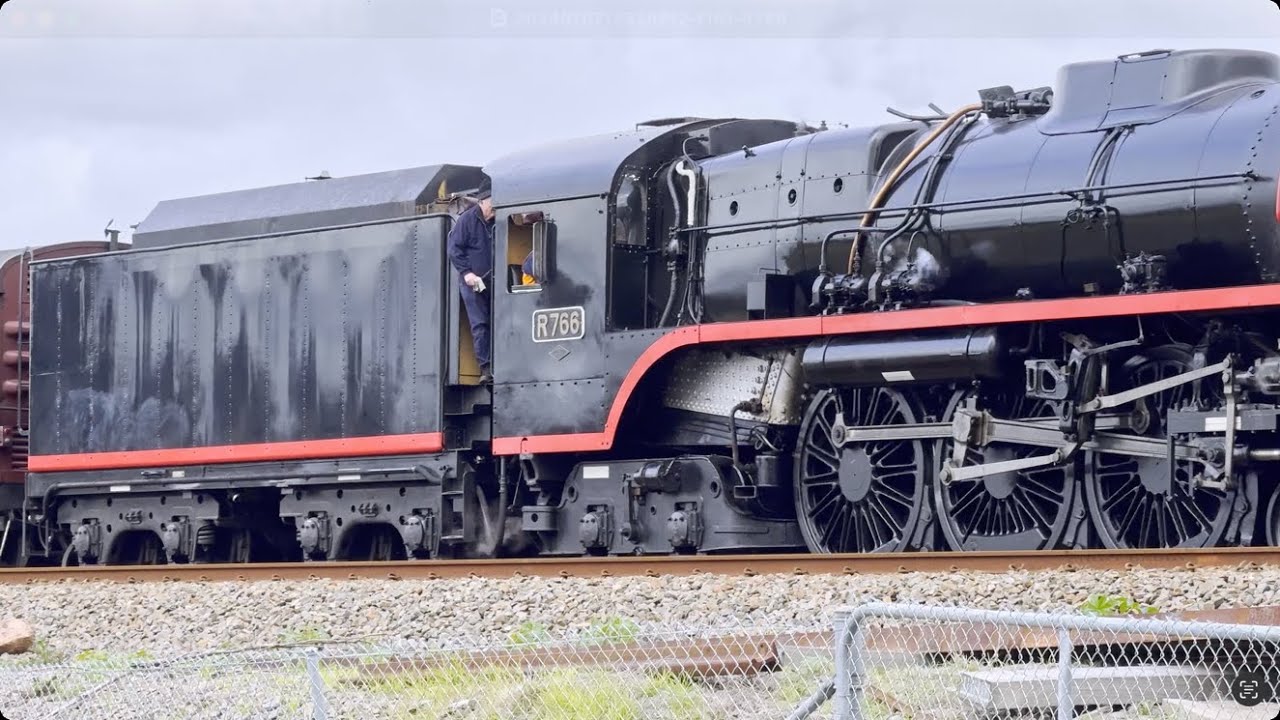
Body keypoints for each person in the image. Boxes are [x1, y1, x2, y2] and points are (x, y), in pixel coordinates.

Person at [447, 183, 496, 384]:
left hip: (493, 279)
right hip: (472, 282)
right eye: (493, 202)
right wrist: (467, 273)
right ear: (483, 201)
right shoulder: (467, 220)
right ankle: (485, 367)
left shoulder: (498, 221)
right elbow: (454, 249)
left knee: (496, 321)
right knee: (480, 324)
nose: (496, 207)